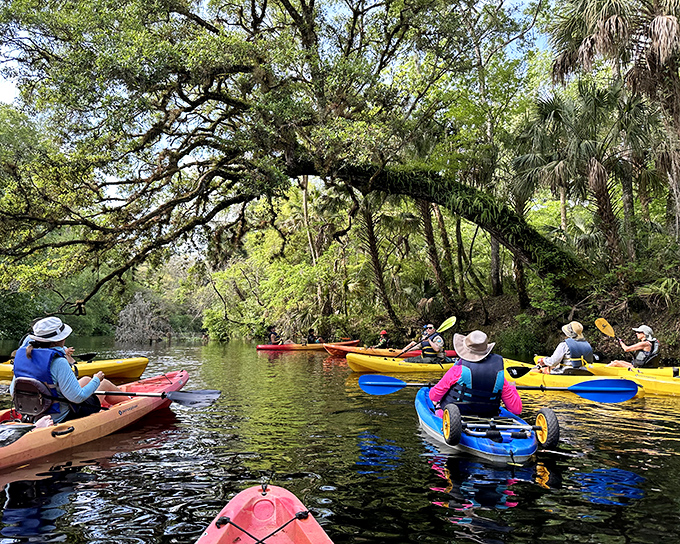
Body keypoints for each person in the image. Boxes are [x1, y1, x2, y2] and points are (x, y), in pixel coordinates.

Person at [10, 316, 128, 425]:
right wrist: (97, 379)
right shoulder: (58, 362)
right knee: (104, 384)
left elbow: (12, 391)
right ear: (58, 340)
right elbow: (77, 397)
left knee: (86, 379)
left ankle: (131, 403)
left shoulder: (24, 357)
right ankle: (133, 405)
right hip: (60, 416)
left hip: (32, 413)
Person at [429, 330, 522, 417]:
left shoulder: (457, 371)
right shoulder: (499, 376)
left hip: (454, 418)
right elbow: (516, 410)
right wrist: (512, 388)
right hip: (488, 417)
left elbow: (433, 395)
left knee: (436, 402)